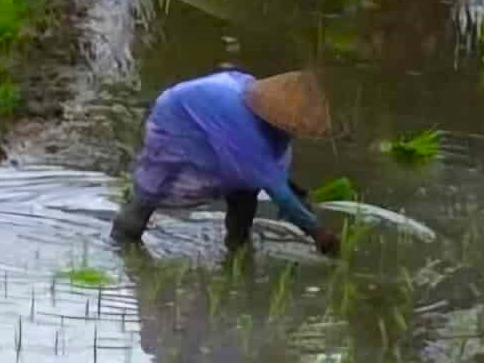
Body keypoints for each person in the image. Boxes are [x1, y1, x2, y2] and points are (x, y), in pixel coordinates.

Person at [111, 69, 341, 257]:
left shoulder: (262, 114)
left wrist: (289, 187)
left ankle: (238, 245)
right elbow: (277, 192)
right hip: (177, 118)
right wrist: (318, 233)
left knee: (246, 188)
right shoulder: (246, 129)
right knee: (154, 185)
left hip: (214, 115)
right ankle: (122, 241)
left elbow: (265, 171)